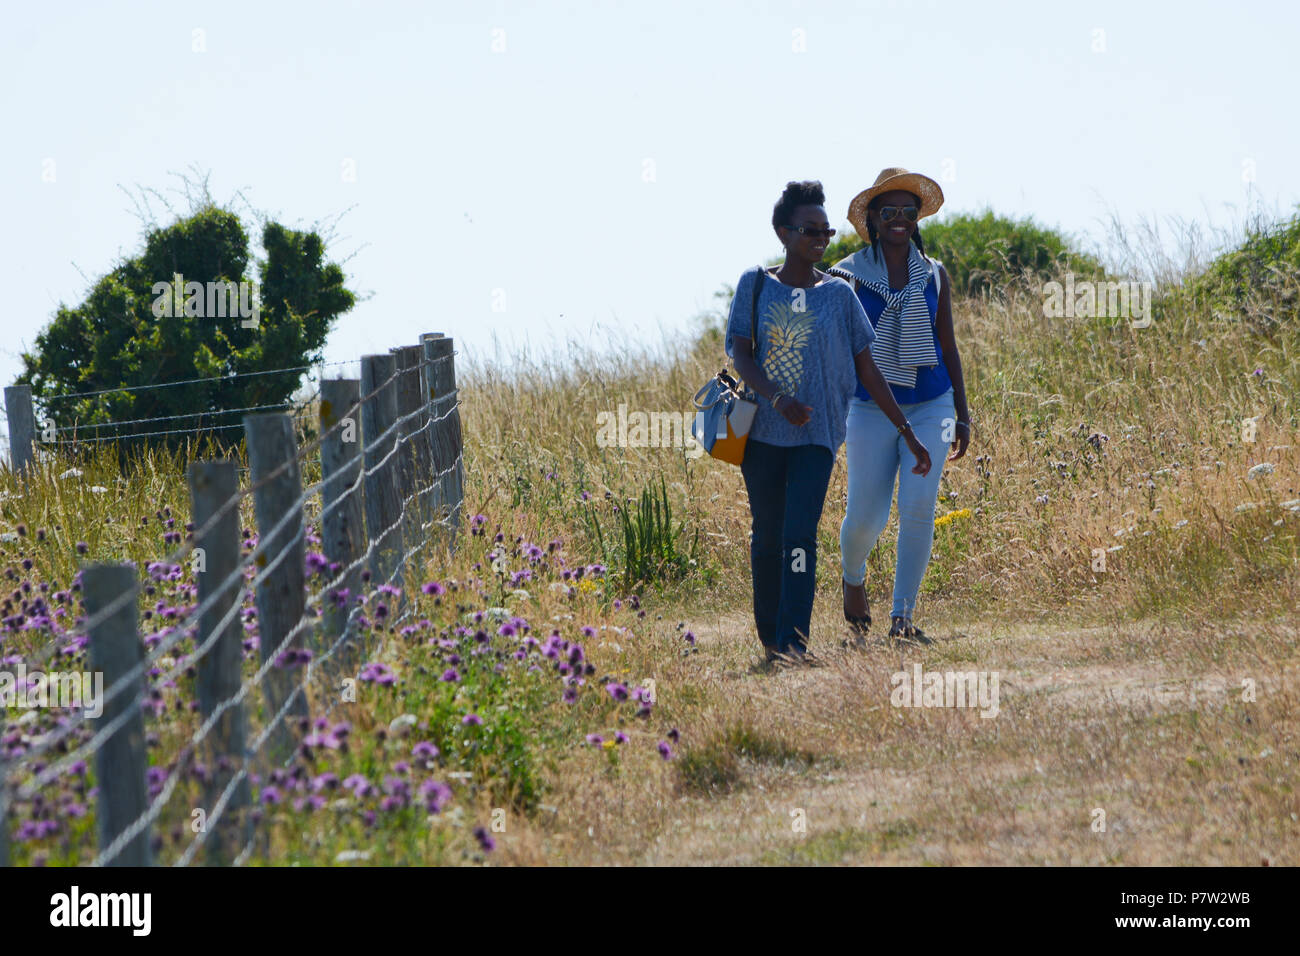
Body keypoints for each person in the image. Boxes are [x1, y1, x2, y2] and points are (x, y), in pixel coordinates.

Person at [726, 180, 930, 666]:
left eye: (826, 230)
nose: (819, 238)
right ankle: (771, 639)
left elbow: (868, 369)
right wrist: (777, 399)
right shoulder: (755, 284)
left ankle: (794, 641)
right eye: (808, 229)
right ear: (783, 232)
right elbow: (741, 355)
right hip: (761, 435)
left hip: (817, 437)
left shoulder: (839, 295)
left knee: (800, 535)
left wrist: (906, 431)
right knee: (768, 536)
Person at [828, 168, 972, 647]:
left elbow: (948, 347)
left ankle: (902, 619)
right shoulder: (845, 277)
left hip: (932, 403)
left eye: (908, 212)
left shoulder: (934, 274)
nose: (899, 220)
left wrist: (963, 413)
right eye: (888, 211)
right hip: (869, 406)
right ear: (870, 218)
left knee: (917, 508)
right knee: (867, 516)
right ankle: (853, 575)